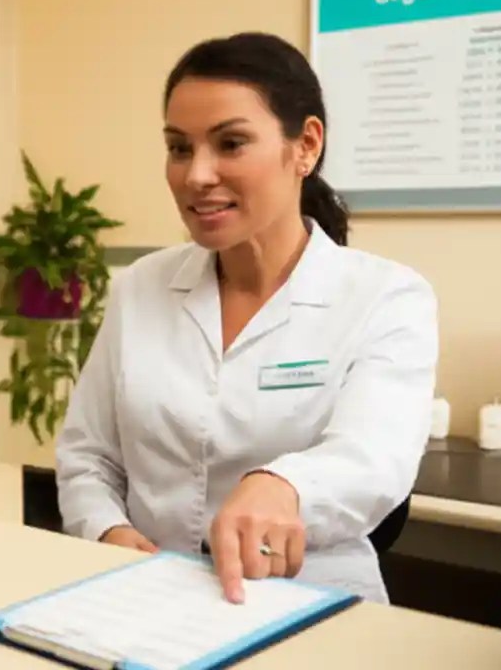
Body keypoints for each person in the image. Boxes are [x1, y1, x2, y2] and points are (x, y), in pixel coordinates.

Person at [54, 32, 438, 605]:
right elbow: (88, 457)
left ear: (305, 146)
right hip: (146, 598)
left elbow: (376, 458)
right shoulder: (139, 289)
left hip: (312, 603)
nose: (196, 175)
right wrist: (107, 530)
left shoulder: (387, 297)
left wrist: (283, 483)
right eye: (179, 148)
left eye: (230, 144)